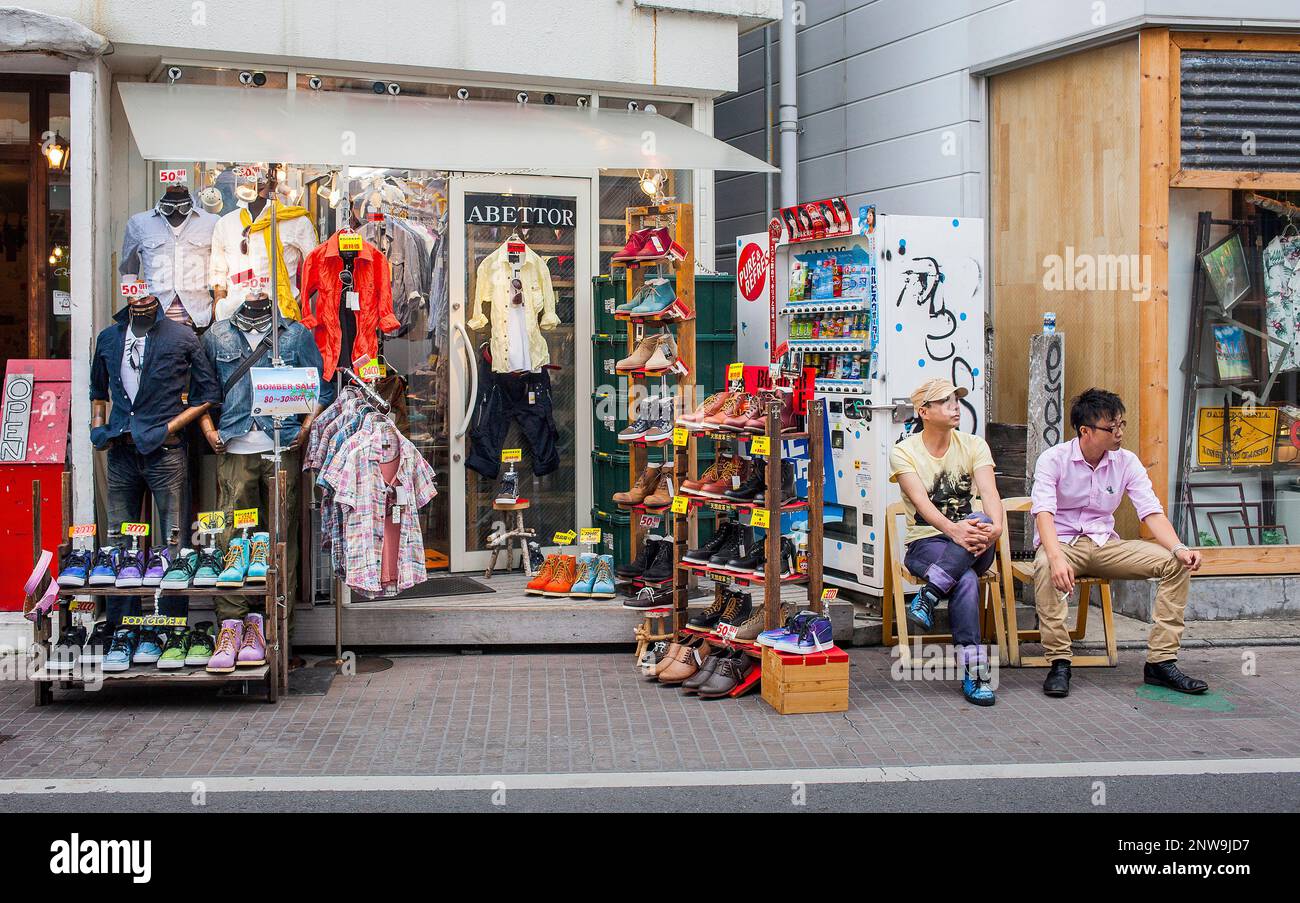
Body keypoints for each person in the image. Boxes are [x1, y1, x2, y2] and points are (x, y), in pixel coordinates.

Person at [1031, 388, 1207, 698]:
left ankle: (1161, 662)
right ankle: (1059, 662)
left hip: (1104, 544)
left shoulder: (1126, 461)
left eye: (1121, 424)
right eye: (1111, 427)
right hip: (1062, 543)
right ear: (1086, 431)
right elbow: (1043, 512)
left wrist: (1179, 548)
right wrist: (1056, 557)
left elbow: (1151, 512)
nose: (1119, 432)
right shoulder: (1054, 459)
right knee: (1046, 566)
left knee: (1174, 563)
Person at [889, 378, 1004, 706]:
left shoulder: (974, 445)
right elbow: (922, 504)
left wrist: (996, 528)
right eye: (945, 401)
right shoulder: (904, 452)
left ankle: (930, 594)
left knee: (981, 519)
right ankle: (975, 671)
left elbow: (990, 493)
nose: (955, 406)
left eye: (957, 400)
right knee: (965, 579)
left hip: (977, 543)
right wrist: (954, 531)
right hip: (926, 544)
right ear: (923, 411)